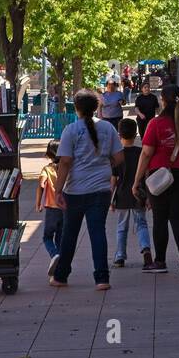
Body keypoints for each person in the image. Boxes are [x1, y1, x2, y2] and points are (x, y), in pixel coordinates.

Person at [50, 91, 123, 291]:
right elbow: (119, 158)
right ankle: (102, 278)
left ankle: (61, 276)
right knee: (98, 232)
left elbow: (65, 162)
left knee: (69, 234)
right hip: (101, 189)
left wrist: (58, 190)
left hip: (75, 190)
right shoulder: (108, 128)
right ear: (96, 107)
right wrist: (104, 164)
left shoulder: (71, 130)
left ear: (77, 108)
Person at [133, 84, 179, 274]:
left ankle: (160, 262)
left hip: (159, 174)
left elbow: (146, 153)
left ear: (163, 101)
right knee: (178, 216)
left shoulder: (156, 123)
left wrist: (137, 180)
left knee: (160, 218)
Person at [110, 119, 152, 270]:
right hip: (139, 193)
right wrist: (148, 197)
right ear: (136, 134)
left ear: (119, 135)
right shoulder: (141, 153)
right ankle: (146, 250)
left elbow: (113, 180)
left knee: (122, 226)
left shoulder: (116, 155)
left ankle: (120, 256)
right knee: (141, 223)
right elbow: (147, 175)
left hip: (122, 195)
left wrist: (111, 199)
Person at [35, 140, 63, 276]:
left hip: (52, 208)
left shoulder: (47, 169)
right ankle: (60, 264)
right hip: (65, 208)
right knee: (60, 237)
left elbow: (41, 184)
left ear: (49, 154)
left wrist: (38, 203)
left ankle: (54, 254)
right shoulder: (66, 167)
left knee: (47, 237)